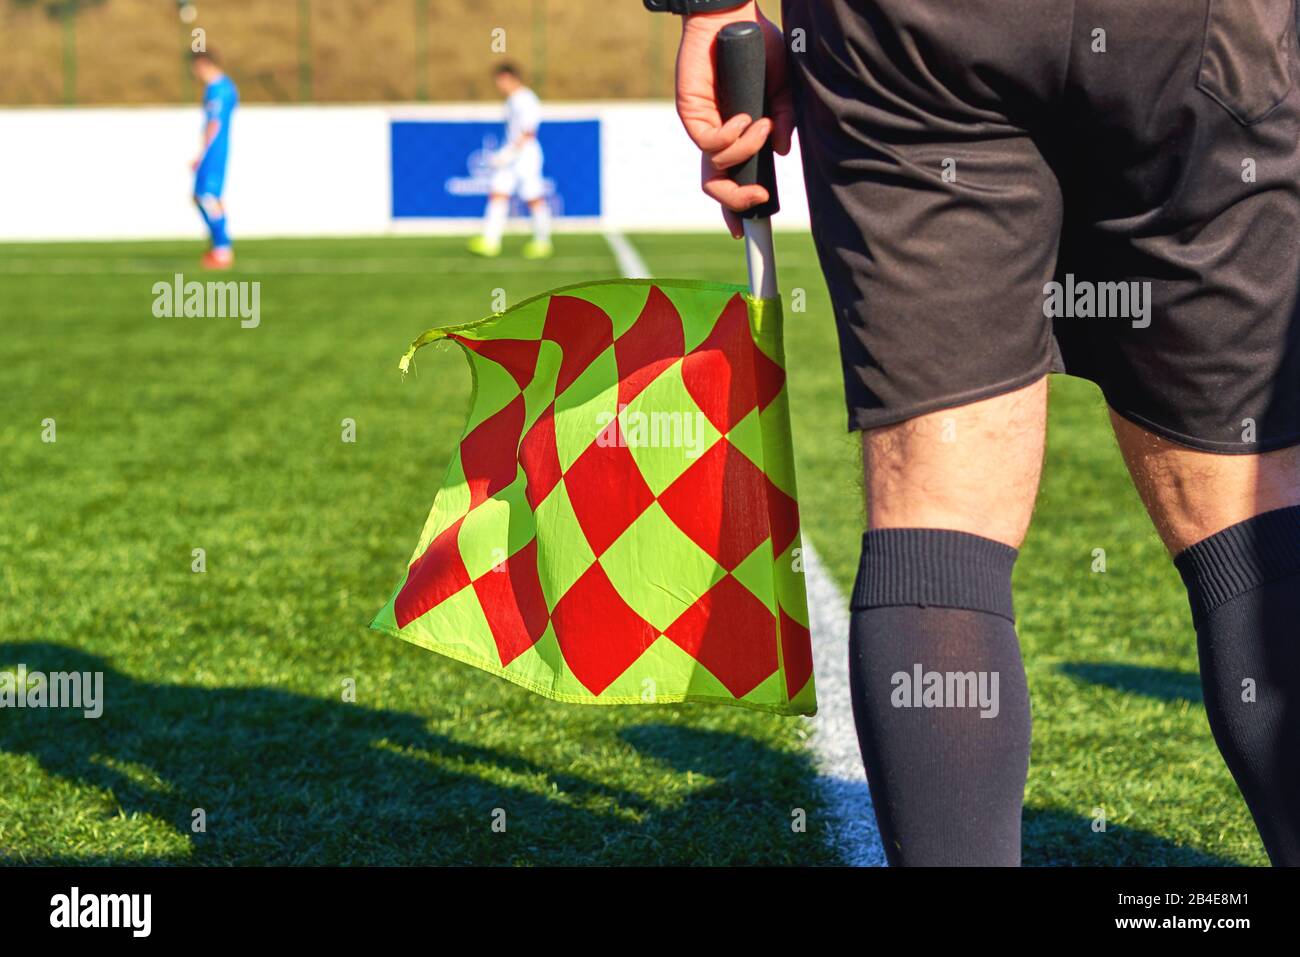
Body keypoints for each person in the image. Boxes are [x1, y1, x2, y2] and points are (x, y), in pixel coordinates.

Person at [650, 0, 1300, 866]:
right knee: (1247, 498)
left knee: (938, 500)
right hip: (1197, 23)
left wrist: (715, 7)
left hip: (908, 35)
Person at [469, 63, 553, 260]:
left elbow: (528, 131)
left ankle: (543, 242)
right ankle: (490, 242)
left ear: (512, 78)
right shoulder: (511, 101)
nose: (500, 85)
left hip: (525, 156)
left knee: (533, 198)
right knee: (498, 193)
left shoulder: (526, 99)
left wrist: (507, 153)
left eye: (502, 80)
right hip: (512, 155)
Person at [190, 49, 239, 270]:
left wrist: (202, 153)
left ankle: (222, 248)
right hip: (217, 148)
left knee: (207, 196)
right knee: (202, 196)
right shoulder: (223, 87)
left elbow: (215, 124)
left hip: (215, 150)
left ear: (203, 64)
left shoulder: (219, 89)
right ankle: (219, 245)